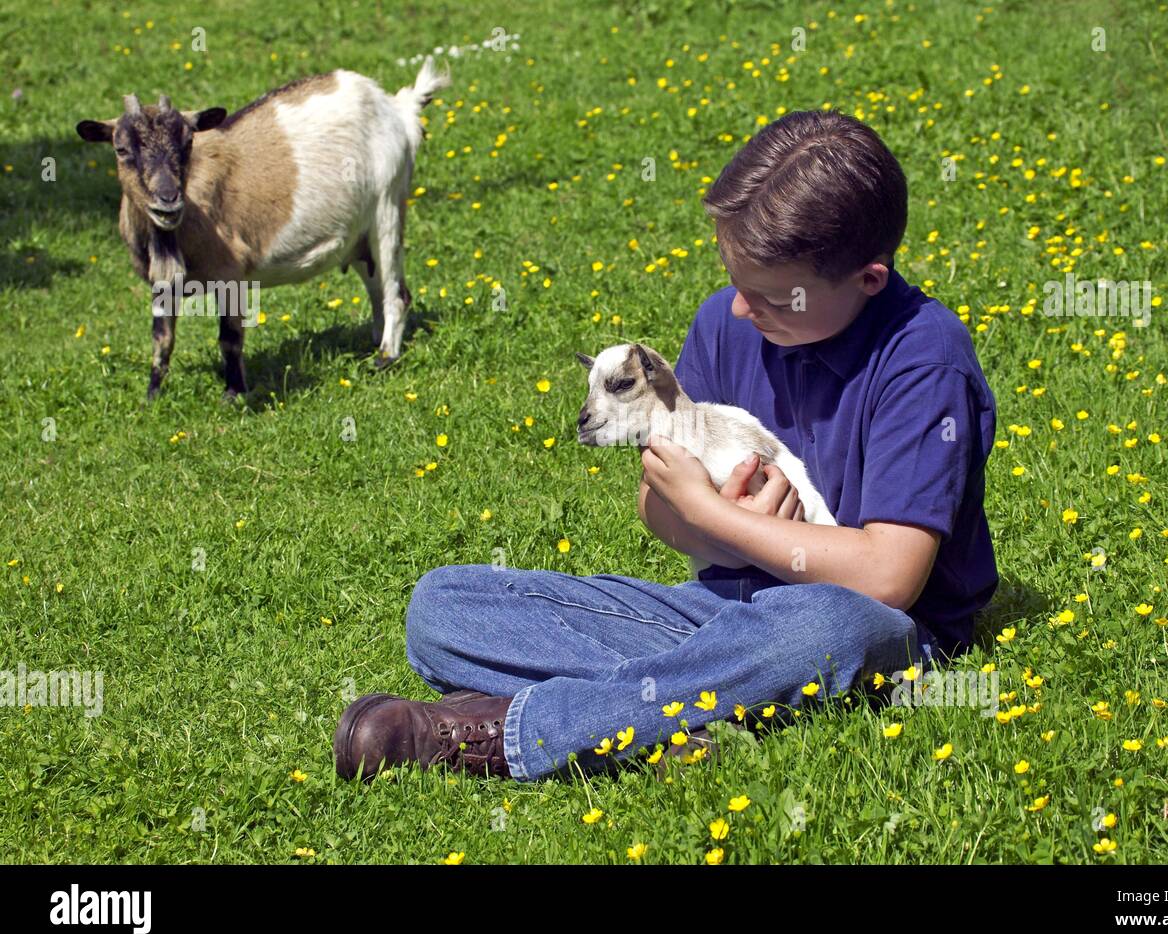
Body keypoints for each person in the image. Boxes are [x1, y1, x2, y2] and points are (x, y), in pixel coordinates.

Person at [333, 109, 999, 783]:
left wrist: (719, 519)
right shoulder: (727, 322)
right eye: (734, 282)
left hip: (876, 633)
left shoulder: (922, 360)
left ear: (869, 280)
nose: (741, 309)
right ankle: (680, 704)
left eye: (767, 296)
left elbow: (889, 578)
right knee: (442, 606)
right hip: (721, 617)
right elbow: (658, 503)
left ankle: (508, 730)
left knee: (827, 628)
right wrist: (720, 529)